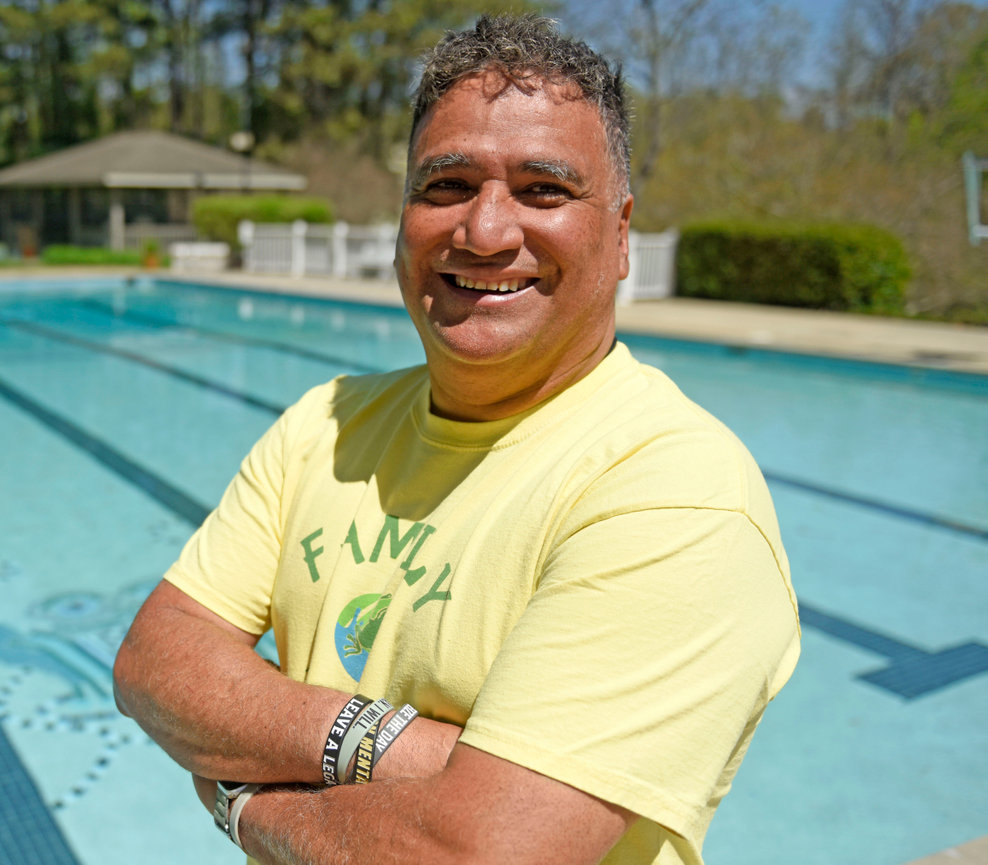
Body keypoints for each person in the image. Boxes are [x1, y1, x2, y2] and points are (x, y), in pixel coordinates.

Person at [113, 14, 799, 865]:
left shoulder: (678, 490)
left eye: (543, 189)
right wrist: (395, 749)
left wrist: (246, 800)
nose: (484, 231)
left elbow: (474, 855)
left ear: (619, 235)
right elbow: (152, 660)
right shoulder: (325, 424)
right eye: (446, 185)